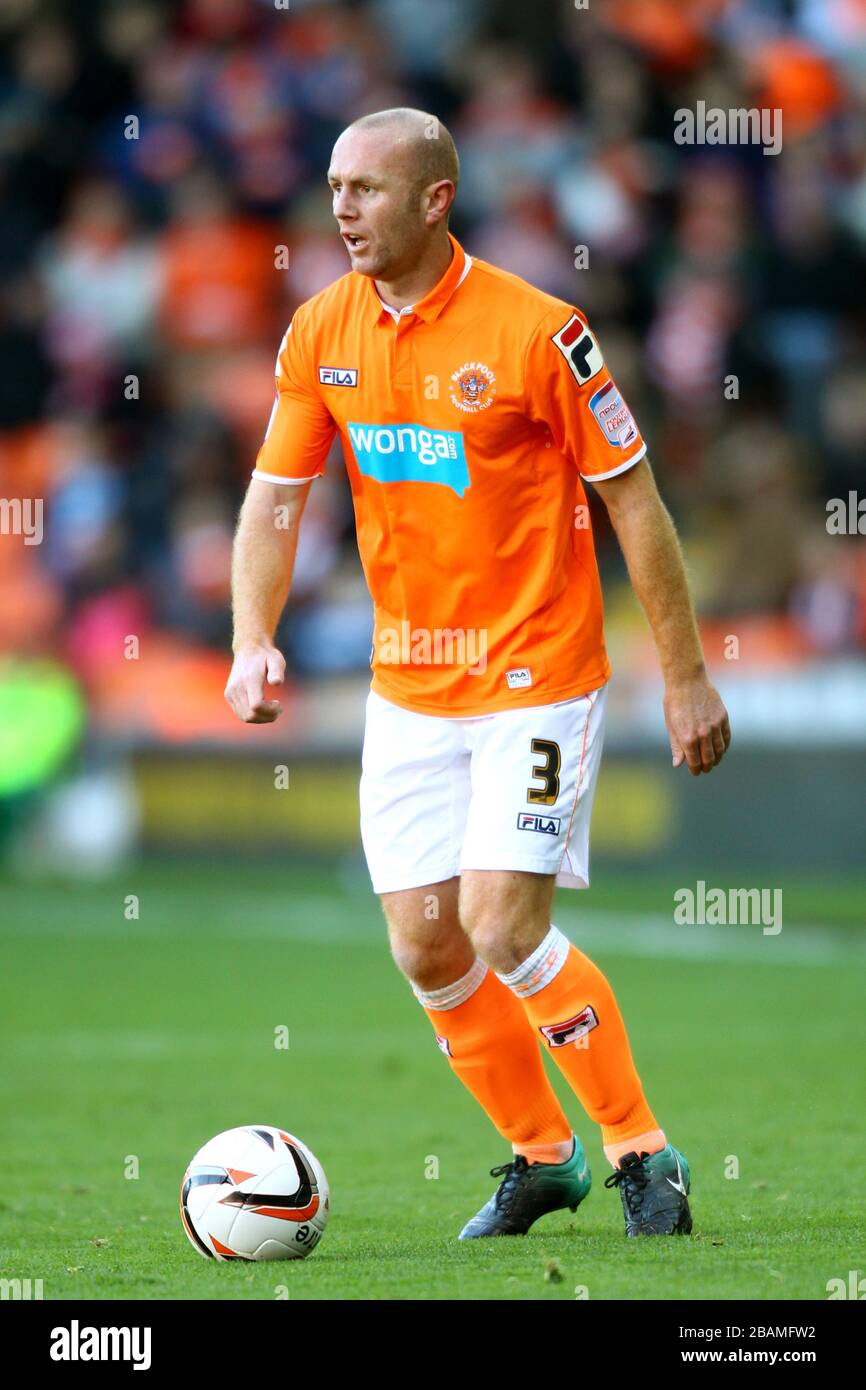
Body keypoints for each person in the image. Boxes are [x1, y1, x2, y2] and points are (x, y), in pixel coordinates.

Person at [225, 108, 731, 1239]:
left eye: (365, 188)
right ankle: (537, 1156)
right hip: (405, 683)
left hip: (537, 674)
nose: (341, 208)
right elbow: (273, 497)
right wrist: (251, 635)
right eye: (334, 185)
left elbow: (632, 500)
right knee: (423, 941)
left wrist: (686, 673)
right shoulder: (321, 329)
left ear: (433, 199)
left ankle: (641, 1150)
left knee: (503, 925)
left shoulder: (539, 333)